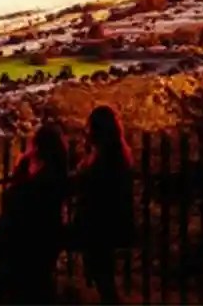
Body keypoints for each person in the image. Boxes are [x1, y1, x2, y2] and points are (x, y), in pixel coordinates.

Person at [0, 122, 68, 304]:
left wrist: (20, 173)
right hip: (42, 248)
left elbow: (15, 205)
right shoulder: (59, 177)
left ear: (37, 148)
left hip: (20, 249)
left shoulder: (38, 183)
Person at [72, 105, 135, 305]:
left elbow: (90, 185)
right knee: (102, 273)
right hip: (106, 222)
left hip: (97, 224)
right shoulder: (116, 155)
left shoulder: (103, 159)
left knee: (101, 273)